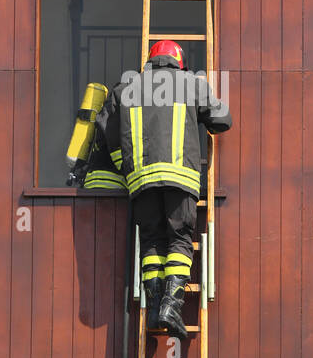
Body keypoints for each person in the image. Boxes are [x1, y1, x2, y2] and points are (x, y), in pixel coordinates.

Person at [96, 39, 232, 336]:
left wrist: (125, 166)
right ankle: (172, 305)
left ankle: (156, 307)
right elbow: (223, 121)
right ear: (178, 63)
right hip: (180, 178)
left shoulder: (127, 86)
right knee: (180, 240)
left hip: (140, 181)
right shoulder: (190, 83)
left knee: (152, 242)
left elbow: (105, 128)